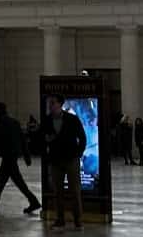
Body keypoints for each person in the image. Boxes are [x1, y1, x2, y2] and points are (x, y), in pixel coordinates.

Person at [0, 102, 39, 213]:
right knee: (1, 180)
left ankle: (34, 201)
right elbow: (23, 139)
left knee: (18, 182)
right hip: (12, 155)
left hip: (8, 156)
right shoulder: (14, 122)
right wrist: (27, 156)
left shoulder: (1, 122)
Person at [42, 96, 86, 228]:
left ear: (60, 104)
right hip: (55, 160)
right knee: (58, 192)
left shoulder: (72, 119)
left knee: (75, 190)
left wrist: (78, 154)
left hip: (71, 159)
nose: (50, 105)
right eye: (49, 103)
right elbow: (40, 138)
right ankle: (60, 219)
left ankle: (78, 220)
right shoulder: (47, 120)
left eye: (53, 103)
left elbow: (82, 137)